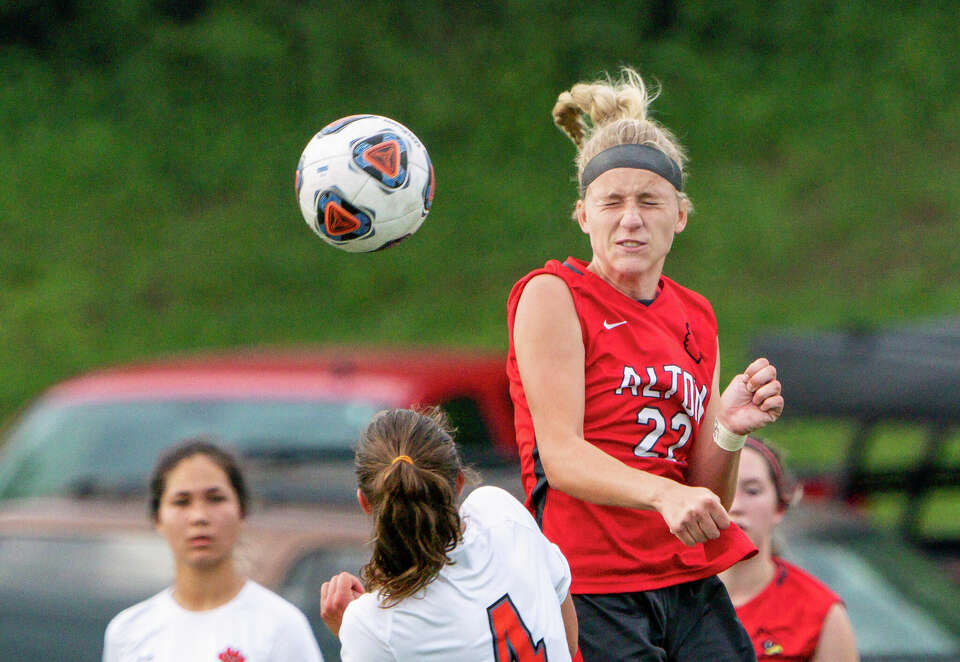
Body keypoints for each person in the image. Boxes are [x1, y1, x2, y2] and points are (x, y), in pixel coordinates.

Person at [507, 66, 785, 661]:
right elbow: (562, 456)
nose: (629, 219)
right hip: (593, 587)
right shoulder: (553, 295)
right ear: (584, 215)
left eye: (648, 201)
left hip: (683, 580)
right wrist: (663, 498)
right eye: (611, 202)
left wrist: (727, 429)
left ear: (679, 215)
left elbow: (703, 492)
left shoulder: (696, 315)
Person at [319, 407, 579, 661]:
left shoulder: (373, 624)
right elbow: (567, 642)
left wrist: (351, 630)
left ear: (364, 501)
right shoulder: (502, 512)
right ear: (458, 482)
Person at [103, 439, 323, 662]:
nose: (199, 516)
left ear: (242, 511)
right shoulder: (127, 632)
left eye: (215, 499)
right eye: (182, 501)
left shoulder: (282, 626)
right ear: (158, 518)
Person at [719, 437, 859, 661]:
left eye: (752, 491)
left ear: (780, 507)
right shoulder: (668, 598)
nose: (735, 506)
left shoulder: (820, 611)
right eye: (723, 488)